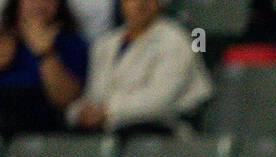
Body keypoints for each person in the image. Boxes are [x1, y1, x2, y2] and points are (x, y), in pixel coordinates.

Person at [65, 0, 211, 134]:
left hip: (163, 131)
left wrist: (107, 111)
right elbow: (94, 95)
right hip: (109, 130)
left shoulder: (175, 39)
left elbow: (159, 101)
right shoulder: (105, 44)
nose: (141, 3)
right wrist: (79, 113)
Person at [0, 0, 88, 133]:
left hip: (44, 132)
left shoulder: (71, 43)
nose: (39, 4)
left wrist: (45, 53)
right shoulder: (4, 39)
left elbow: (66, 100)